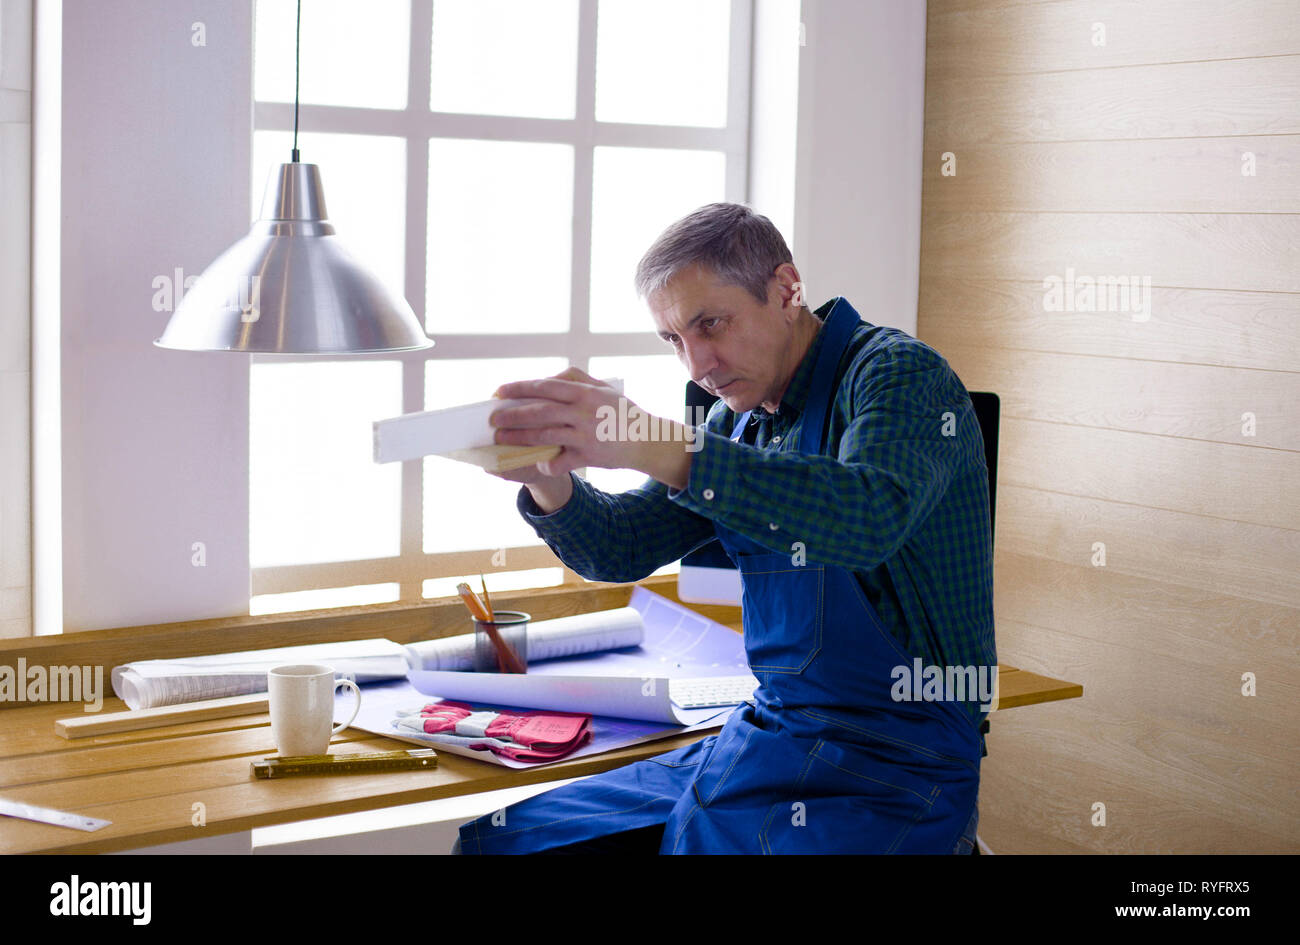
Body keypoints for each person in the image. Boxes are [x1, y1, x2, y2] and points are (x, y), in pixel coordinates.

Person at [452, 202, 995, 854]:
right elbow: (622, 545)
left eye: (711, 323)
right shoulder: (736, 423)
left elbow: (865, 517)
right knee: (507, 842)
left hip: (900, 760)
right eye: (675, 339)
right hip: (775, 734)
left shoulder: (899, 375)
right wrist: (547, 476)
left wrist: (652, 441)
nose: (697, 365)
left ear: (787, 289)